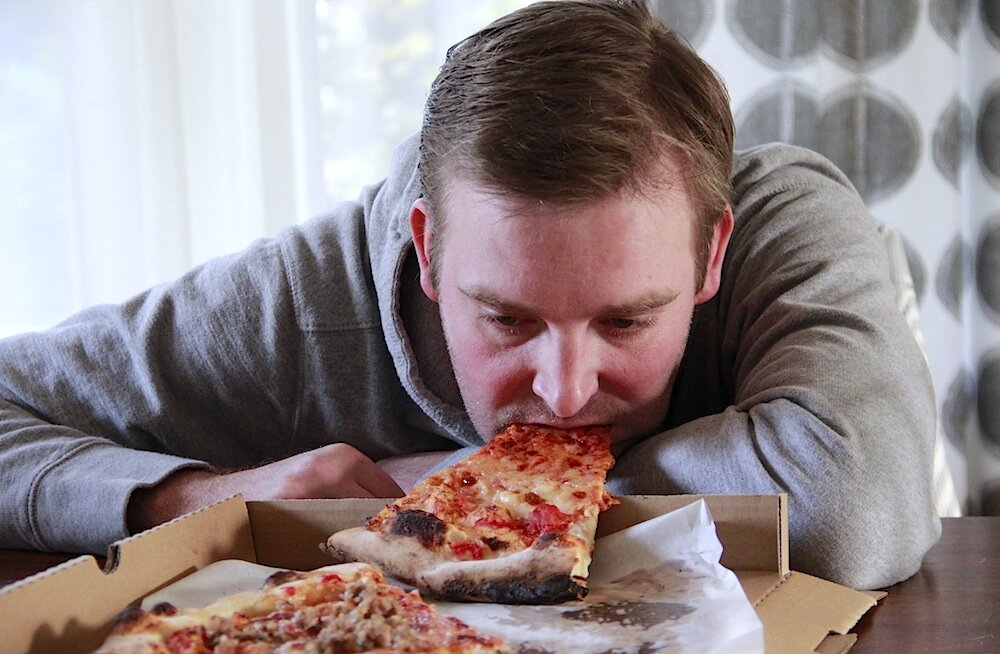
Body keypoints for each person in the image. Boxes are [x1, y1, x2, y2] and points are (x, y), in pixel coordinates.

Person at [0, 0, 939, 590]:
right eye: (507, 318)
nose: (566, 390)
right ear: (429, 251)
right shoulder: (301, 299)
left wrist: (473, 494)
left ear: (709, 256)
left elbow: (854, 506)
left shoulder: (785, 223)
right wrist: (196, 494)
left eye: (626, 319)